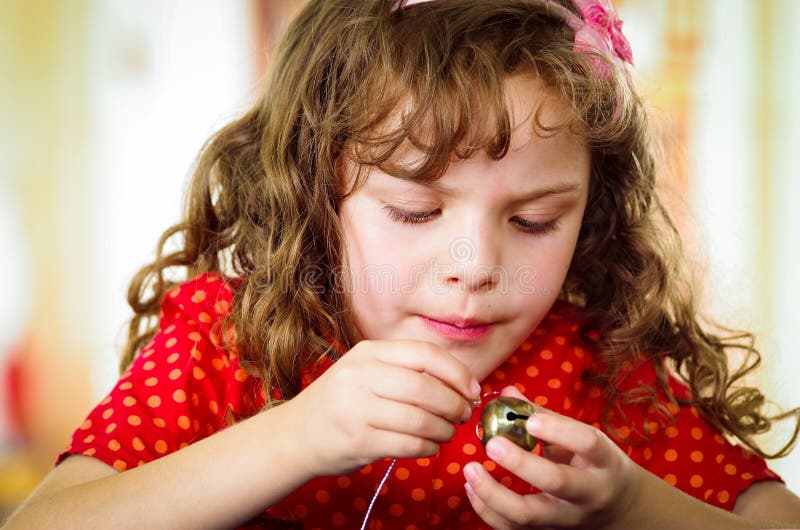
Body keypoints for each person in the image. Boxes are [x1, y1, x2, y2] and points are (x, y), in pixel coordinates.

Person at [6, 0, 800, 528]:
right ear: (318, 190)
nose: (474, 266)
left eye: (533, 220)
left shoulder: (597, 367)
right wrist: (298, 437)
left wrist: (632, 505)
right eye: (417, 211)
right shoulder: (229, 340)